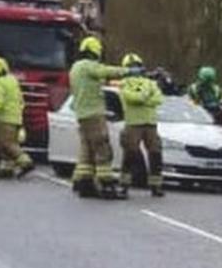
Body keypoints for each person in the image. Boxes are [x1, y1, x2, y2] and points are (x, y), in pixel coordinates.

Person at [69, 36, 135, 199]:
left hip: (82, 114)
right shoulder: (88, 66)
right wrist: (128, 71)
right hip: (93, 113)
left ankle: (85, 184)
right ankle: (107, 186)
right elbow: (104, 71)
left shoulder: (75, 68)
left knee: (87, 149)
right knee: (102, 146)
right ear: (94, 52)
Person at [119, 53, 165, 197]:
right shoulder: (123, 84)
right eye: (132, 67)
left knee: (156, 153)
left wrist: (143, 99)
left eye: (137, 66)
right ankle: (124, 185)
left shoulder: (150, 83)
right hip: (133, 123)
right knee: (130, 154)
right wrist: (146, 96)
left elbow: (158, 99)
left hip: (150, 123)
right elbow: (132, 98)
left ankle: (156, 185)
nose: (135, 69)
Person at [0, 57, 35, 178]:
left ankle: (25, 161)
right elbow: (21, 100)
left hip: (4, 118)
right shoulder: (12, 80)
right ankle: (6, 168)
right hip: (16, 118)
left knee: (7, 144)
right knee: (9, 144)